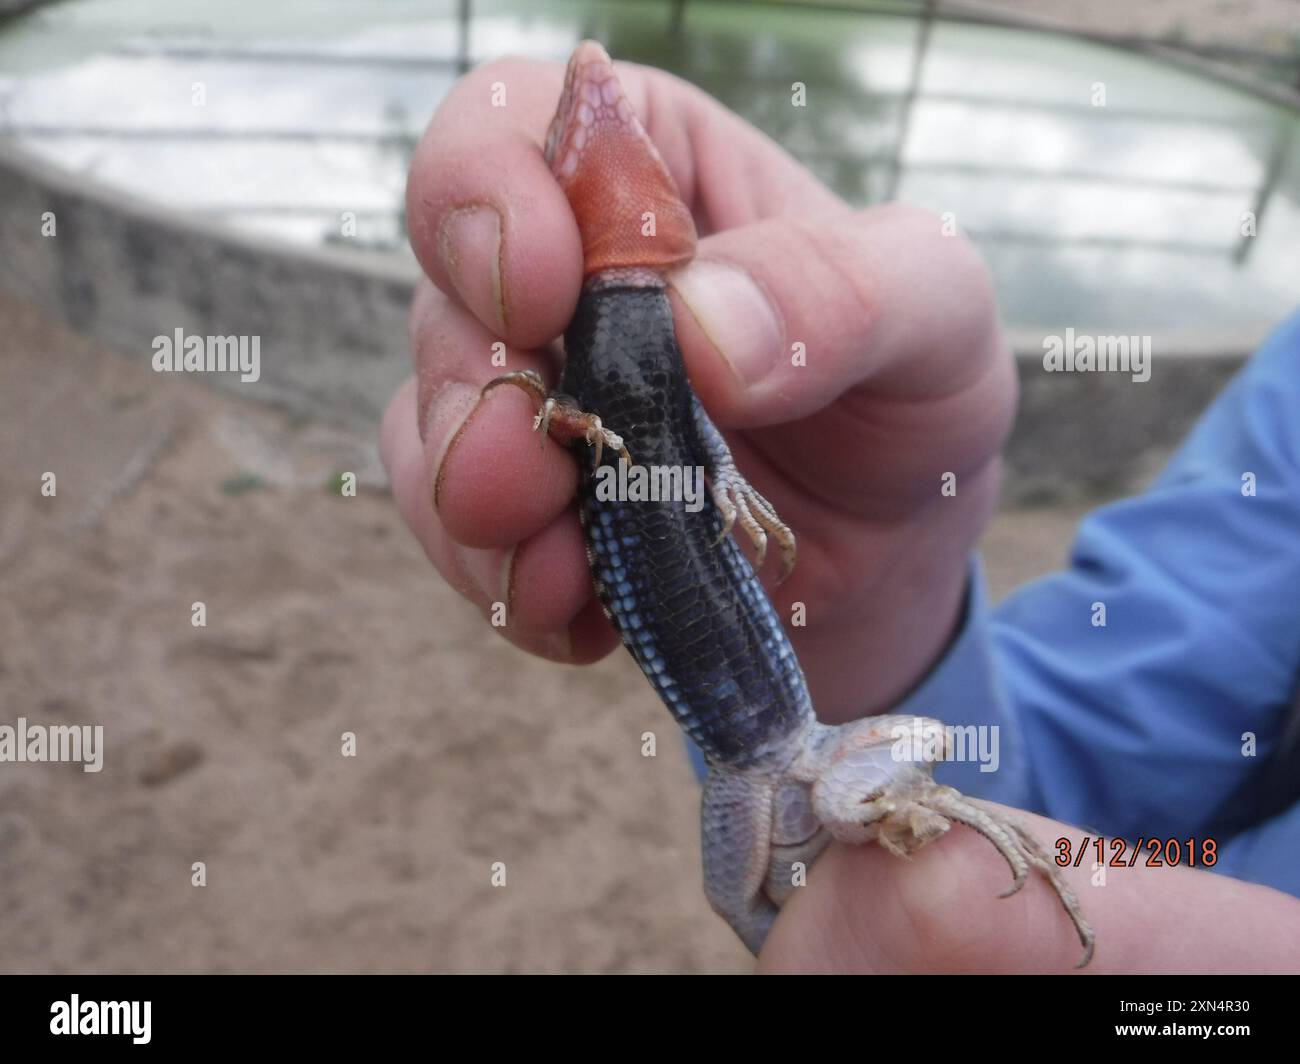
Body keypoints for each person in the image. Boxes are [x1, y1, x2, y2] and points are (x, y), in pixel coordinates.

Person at [380, 52, 1300, 972]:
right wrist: (873, 598)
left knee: (761, 876)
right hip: (784, 741)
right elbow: (1124, 730)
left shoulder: (624, 315)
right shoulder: (621, 315)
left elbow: (668, 412)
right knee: (745, 892)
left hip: (782, 748)